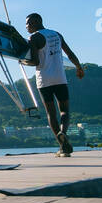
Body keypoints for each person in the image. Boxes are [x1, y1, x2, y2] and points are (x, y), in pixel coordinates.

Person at [22, 13, 84, 156]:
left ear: (36, 22)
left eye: (28, 23)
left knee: (51, 113)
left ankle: (62, 145)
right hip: (60, 78)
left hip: (44, 80)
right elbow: (69, 53)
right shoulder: (57, 34)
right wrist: (79, 67)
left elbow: (35, 62)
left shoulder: (34, 38)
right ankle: (63, 132)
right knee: (64, 111)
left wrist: (23, 61)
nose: (26, 26)